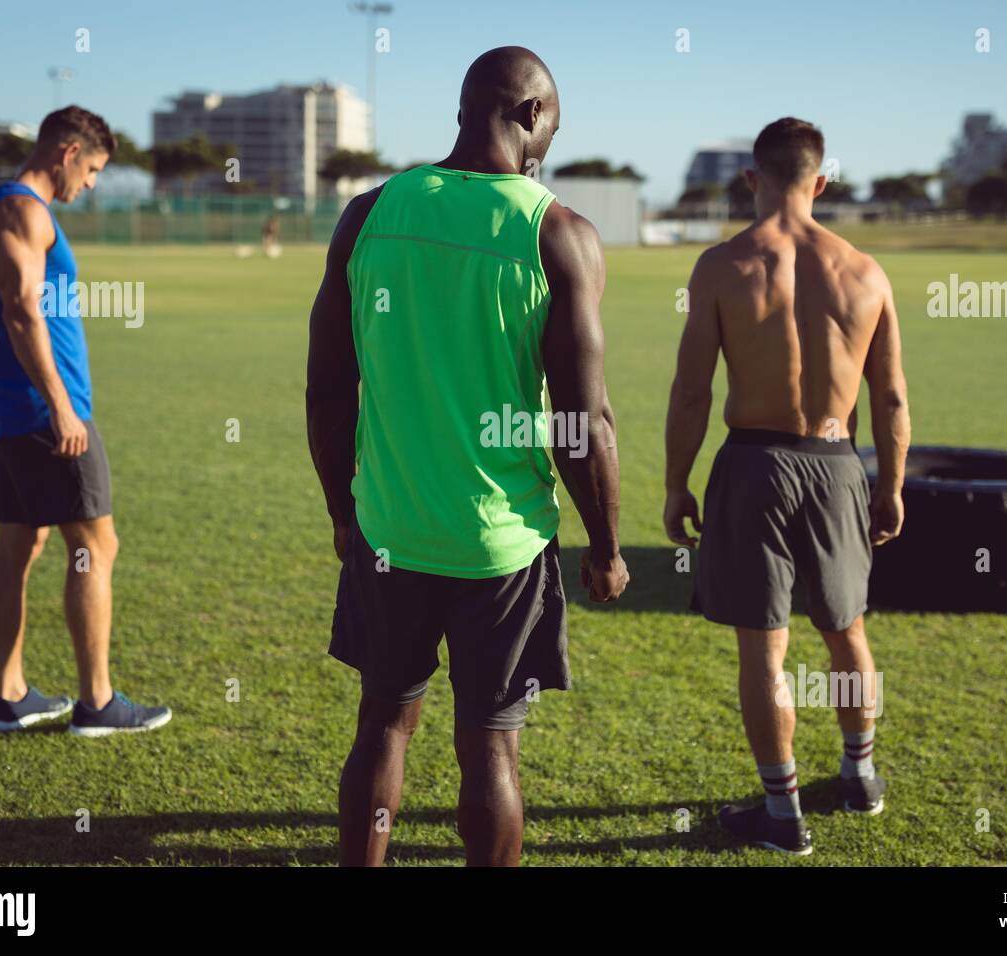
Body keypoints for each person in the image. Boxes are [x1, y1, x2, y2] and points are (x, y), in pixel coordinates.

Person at [306, 47, 628, 866]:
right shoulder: (557, 231)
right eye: (551, 122)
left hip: (390, 532)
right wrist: (608, 546)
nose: (549, 141)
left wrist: (345, 514)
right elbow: (583, 421)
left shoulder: (369, 212)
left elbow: (325, 386)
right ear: (528, 115)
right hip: (502, 544)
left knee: (383, 721)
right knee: (491, 743)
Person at [663, 117, 910, 855]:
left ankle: (783, 813)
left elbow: (690, 393)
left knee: (763, 651)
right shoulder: (866, 271)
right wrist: (890, 483)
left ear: (752, 178)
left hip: (756, 464)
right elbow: (892, 397)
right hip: (838, 463)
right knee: (847, 631)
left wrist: (676, 484)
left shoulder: (722, 264)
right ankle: (860, 778)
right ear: (823, 181)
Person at [0, 105, 171, 737]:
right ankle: (97, 703)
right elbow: (22, 311)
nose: (92, 184)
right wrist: (60, 404)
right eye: (93, 169)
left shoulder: (15, 210)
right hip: (40, 414)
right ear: (65, 152)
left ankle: (12, 697)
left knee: (21, 540)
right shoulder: (22, 210)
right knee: (93, 543)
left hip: (12, 412)